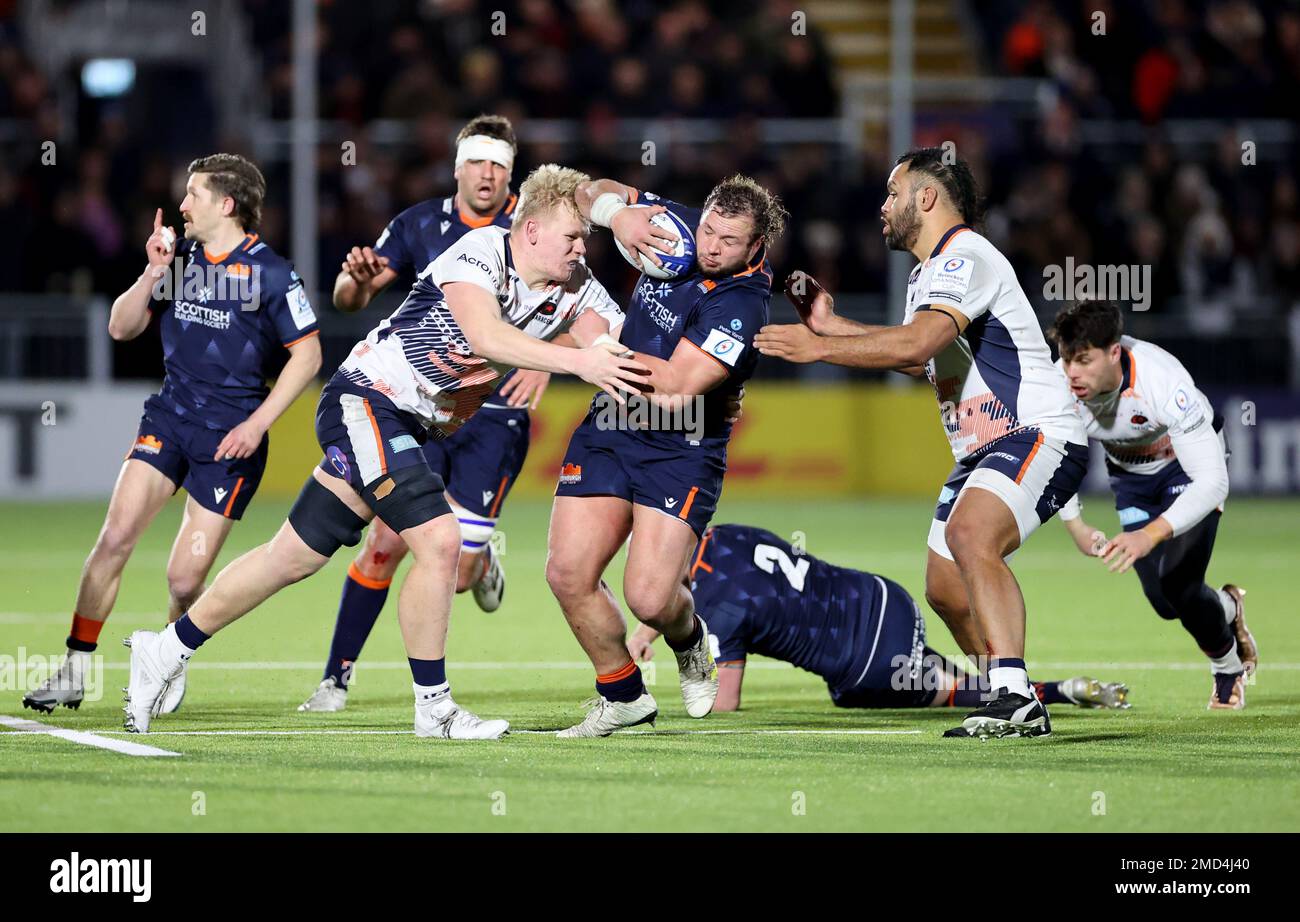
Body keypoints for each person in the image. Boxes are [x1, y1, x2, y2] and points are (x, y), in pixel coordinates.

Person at [122, 164, 648, 738]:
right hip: (366, 401)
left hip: (409, 423)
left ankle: (165, 648)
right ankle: (435, 709)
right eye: (572, 237)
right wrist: (578, 361)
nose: (581, 249)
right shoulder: (480, 251)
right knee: (441, 542)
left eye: (585, 239)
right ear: (531, 232)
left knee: (290, 556)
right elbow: (485, 338)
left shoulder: (578, 285)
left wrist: (691, 352)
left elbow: (611, 341)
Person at [755, 147, 1089, 739]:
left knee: (971, 536)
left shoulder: (965, 255)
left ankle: (1016, 699)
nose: (882, 206)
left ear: (926, 197)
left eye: (892, 193)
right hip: (982, 448)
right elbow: (922, 361)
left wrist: (819, 348)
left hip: (1036, 431)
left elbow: (914, 346)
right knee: (944, 589)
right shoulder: (927, 275)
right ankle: (1006, 694)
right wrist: (834, 328)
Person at [22, 154, 322, 716]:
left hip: (229, 441)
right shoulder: (178, 259)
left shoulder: (272, 274)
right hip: (168, 421)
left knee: (185, 579)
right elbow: (120, 327)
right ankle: (73, 669)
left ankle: (166, 657)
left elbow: (308, 355)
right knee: (113, 539)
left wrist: (259, 424)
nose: (181, 204)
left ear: (227, 205)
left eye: (194, 195)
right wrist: (152, 273)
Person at [300, 114, 550, 713]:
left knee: (457, 569)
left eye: (499, 165)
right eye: (478, 162)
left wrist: (551, 358)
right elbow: (350, 298)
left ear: (510, 174)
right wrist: (354, 282)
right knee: (384, 542)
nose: (487, 174)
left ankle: (481, 559)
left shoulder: (534, 227)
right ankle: (336, 677)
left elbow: (580, 301)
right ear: (457, 166)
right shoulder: (418, 224)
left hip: (492, 416)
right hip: (420, 410)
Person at [545, 175, 786, 737]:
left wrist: (596, 348)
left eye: (729, 241)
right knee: (567, 573)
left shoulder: (744, 305)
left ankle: (690, 638)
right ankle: (623, 693)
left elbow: (677, 386)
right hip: (612, 422)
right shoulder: (673, 222)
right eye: (708, 229)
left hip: (682, 445)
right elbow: (582, 190)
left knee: (650, 599)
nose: (710, 246)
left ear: (756, 247)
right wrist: (615, 213)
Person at [626, 524, 1130, 713]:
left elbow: (722, 704)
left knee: (875, 692)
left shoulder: (717, 609)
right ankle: (1028, 683)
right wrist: (649, 627)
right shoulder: (729, 535)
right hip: (887, 598)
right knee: (934, 668)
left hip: (868, 662)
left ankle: (1055, 692)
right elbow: (685, 584)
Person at [1048, 300, 1256, 710]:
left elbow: (1212, 482)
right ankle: (1228, 606)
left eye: (1084, 360)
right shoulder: (1056, 388)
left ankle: (1227, 667)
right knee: (1165, 602)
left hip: (1186, 471)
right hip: (1131, 480)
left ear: (1113, 352)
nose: (1073, 372)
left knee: (1179, 581)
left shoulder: (1163, 381)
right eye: (1067, 358)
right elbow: (1054, 457)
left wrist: (1150, 534)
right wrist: (1074, 524)